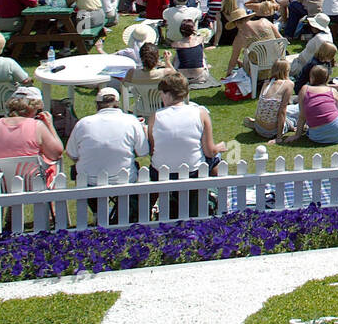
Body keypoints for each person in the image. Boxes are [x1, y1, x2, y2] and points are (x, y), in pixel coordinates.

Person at [148, 72, 226, 218]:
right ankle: (220, 198)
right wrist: (219, 147)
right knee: (218, 157)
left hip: (162, 172)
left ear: (168, 94)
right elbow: (210, 151)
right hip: (193, 171)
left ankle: (150, 206)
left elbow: (153, 150)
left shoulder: (155, 116)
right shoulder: (201, 113)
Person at [66, 85, 147, 196]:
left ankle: (96, 211)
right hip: (124, 181)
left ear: (97, 105)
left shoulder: (83, 123)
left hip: (90, 183)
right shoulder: (131, 121)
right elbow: (143, 151)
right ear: (117, 104)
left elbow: (72, 154)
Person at [0, 86, 64, 187]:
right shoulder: (37, 126)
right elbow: (56, 154)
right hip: (32, 183)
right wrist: (50, 125)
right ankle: (48, 202)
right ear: (35, 107)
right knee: (53, 165)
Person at [247, 59, 296, 139]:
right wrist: (279, 137)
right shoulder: (289, 84)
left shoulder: (266, 83)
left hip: (259, 127)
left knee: (284, 108)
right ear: (286, 71)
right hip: (272, 131)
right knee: (297, 110)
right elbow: (282, 112)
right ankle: (291, 125)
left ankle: (258, 122)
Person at [168, 18, 217, 87]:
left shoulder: (176, 44)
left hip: (182, 77)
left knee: (177, 56)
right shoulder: (200, 39)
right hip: (201, 77)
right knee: (200, 54)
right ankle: (204, 66)